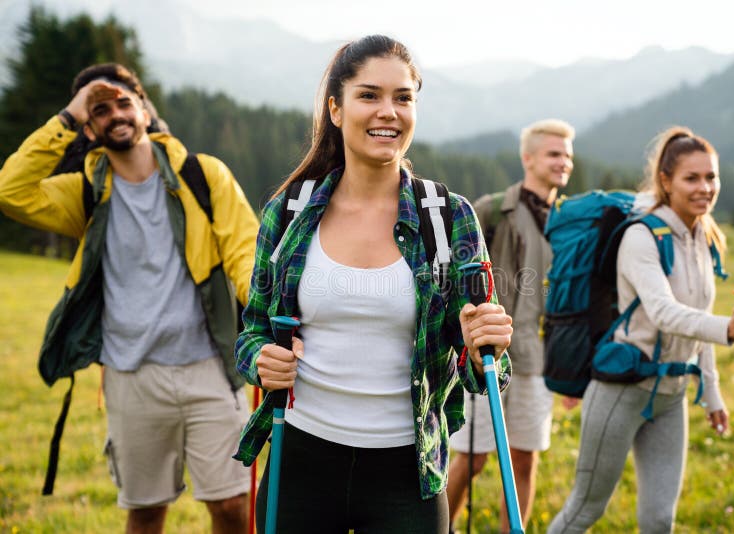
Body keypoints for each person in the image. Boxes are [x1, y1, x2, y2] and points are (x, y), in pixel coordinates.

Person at [232, 35, 514, 534]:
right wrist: (260, 359)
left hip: (408, 473)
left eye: (403, 97)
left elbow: (486, 368)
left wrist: (481, 348)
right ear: (336, 110)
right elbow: (251, 332)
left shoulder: (448, 218)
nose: (389, 111)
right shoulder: (290, 211)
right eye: (369, 95)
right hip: (301, 462)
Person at [0, 63, 259, 534]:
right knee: (145, 512)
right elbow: (10, 191)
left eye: (124, 102)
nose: (115, 114)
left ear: (144, 109)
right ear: (88, 126)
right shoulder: (85, 192)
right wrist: (68, 116)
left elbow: (245, 253)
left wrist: (263, 310)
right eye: (99, 110)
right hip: (131, 376)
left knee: (233, 506)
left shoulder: (203, 175)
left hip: (209, 369)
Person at [547, 127, 734, 533]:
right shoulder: (641, 237)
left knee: (660, 520)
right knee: (584, 510)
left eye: (711, 177)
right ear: (666, 181)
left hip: (671, 396)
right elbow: (663, 312)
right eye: (691, 178)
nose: (704, 188)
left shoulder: (703, 237)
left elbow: (698, 316)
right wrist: (727, 328)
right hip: (621, 390)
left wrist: (712, 393)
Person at [446, 118, 576, 533]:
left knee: (524, 458)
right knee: (473, 458)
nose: (563, 162)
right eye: (554, 153)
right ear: (528, 158)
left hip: (536, 360)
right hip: (486, 354)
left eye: (568, 155)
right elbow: (451, 272)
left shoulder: (569, 222)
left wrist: (569, 368)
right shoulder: (491, 210)